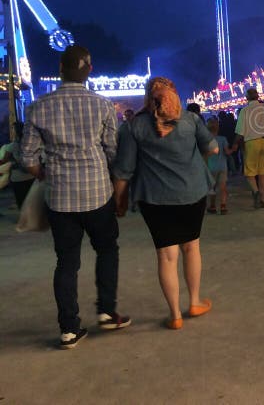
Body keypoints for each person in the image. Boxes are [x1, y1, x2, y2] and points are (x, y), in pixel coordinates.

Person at [21, 45, 131, 349]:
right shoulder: (103, 105)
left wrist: (45, 173)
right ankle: (107, 313)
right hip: (97, 194)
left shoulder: (39, 107)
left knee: (66, 263)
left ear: (60, 68)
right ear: (89, 70)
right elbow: (112, 152)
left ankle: (69, 329)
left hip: (59, 200)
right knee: (107, 250)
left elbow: (27, 158)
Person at [113, 77, 217, 330]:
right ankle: (193, 302)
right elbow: (213, 149)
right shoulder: (190, 121)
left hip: (155, 199)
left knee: (167, 255)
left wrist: (120, 202)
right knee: (191, 248)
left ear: (149, 98)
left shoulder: (133, 127)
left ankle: (174, 315)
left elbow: (124, 171)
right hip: (192, 193)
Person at [234, 88, 264, 208]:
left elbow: (240, 132)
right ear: (258, 96)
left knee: (250, 173)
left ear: (246, 98)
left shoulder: (244, 111)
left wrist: (234, 144)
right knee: (262, 174)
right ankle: (262, 199)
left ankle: (256, 191)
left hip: (251, 144)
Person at [0, 121, 36, 207]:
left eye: (12, 129)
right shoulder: (30, 144)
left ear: (15, 131)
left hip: (18, 179)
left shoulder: (11, 146)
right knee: (32, 203)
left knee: (22, 202)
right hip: (31, 176)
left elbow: (3, 161)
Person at [205, 116, 233, 214]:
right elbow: (227, 152)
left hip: (210, 167)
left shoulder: (205, 140)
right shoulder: (223, 139)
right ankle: (223, 206)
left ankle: (212, 206)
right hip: (222, 166)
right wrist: (234, 149)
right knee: (223, 187)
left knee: (212, 188)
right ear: (218, 128)